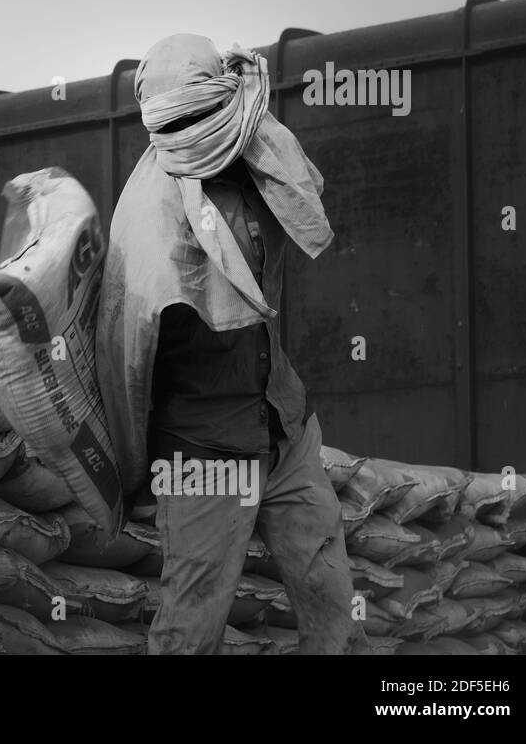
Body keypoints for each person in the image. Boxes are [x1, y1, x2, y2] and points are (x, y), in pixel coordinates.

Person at [97, 34, 359, 654]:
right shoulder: (147, 223)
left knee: (332, 603)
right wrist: (133, 476)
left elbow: (302, 191)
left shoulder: (254, 157)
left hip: (285, 426)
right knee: (193, 626)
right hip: (204, 455)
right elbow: (124, 361)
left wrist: (250, 99)